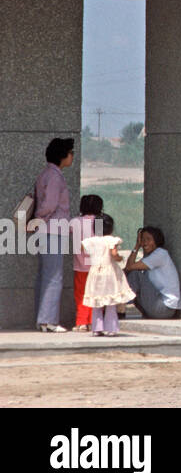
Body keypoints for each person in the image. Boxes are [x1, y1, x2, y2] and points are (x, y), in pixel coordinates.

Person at [33, 137, 75, 332]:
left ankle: (43, 319)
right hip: (53, 229)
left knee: (45, 274)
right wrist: (39, 217)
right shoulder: (55, 177)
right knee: (54, 276)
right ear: (62, 156)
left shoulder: (44, 174)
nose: (72, 156)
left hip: (45, 230)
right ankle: (48, 321)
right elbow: (50, 205)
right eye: (70, 152)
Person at [80, 214, 135, 337]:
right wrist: (120, 258)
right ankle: (111, 328)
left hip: (95, 272)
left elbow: (83, 249)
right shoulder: (111, 240)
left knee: (97, 301)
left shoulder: (91, 241)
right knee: (111, 300)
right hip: (109, 272)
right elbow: (114, 254)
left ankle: (96, 328)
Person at [123, 226, 181, 319]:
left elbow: (130, 267)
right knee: (128, 274)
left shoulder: (160, 254)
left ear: (156, 240)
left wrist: (137, 246)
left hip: (164, 308)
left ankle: (121, 307)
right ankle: (120, 305)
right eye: (142, 239)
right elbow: (127, 268)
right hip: (157, 306)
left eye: (148, 239)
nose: (145, 242)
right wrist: (137, 245)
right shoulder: (150, 257)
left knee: (135, 274)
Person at [70, 194, 104, 332]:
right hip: (97, 264)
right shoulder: (100, 222)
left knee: (81, 295)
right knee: (94, 294)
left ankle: (81, 322)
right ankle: (92, 321)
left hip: (80, 266)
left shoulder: (74, 222)